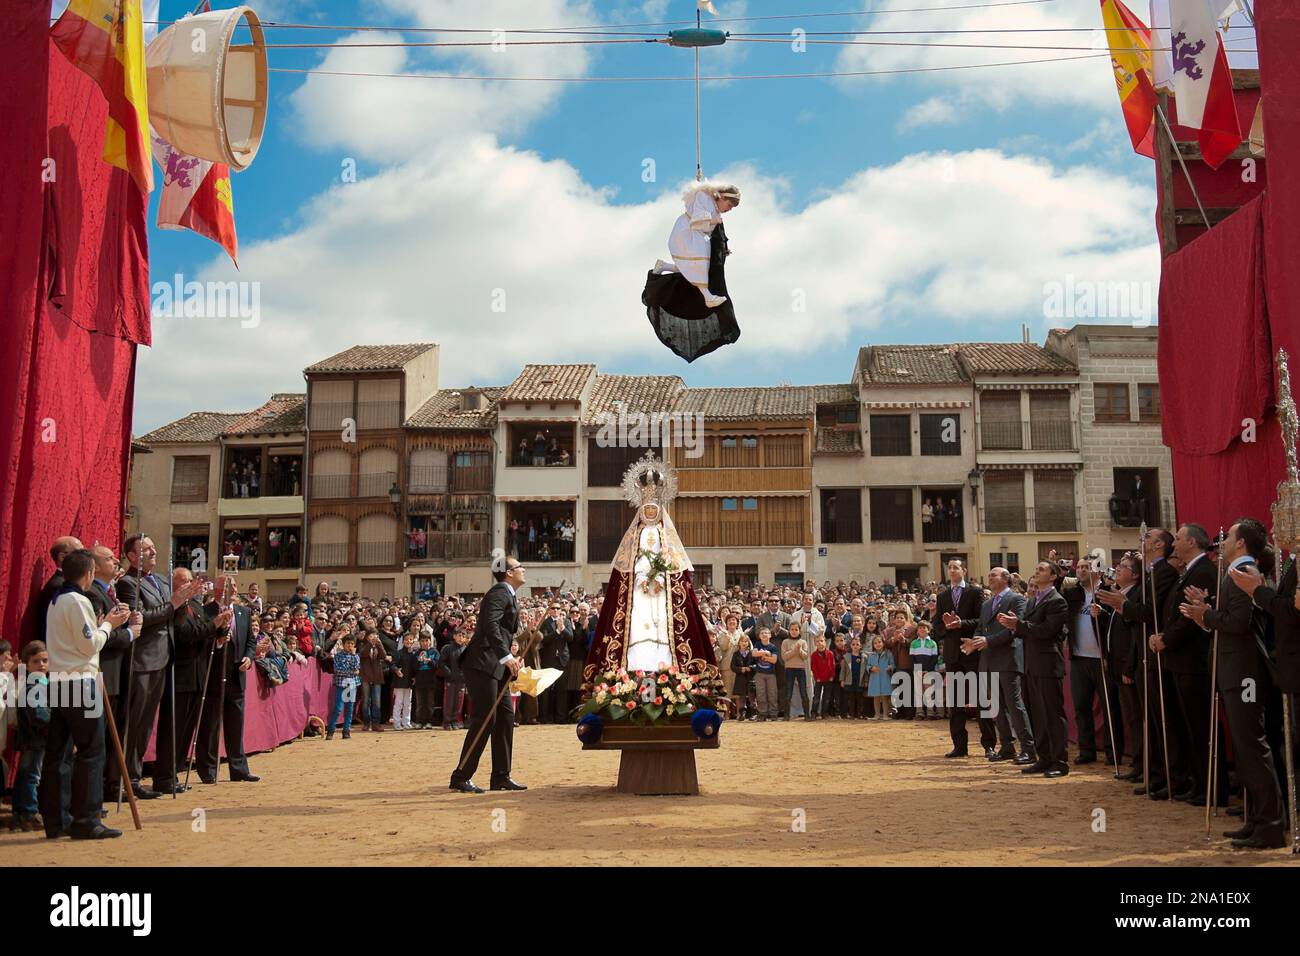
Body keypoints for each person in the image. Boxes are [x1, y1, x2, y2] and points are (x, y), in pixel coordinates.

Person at [1180, 518, 1286, 849]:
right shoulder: (1236, 571)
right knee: (1245, 750)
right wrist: (1208, 610)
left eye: (1229, 537)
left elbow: (1239, 623)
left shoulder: (1244, 572)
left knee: (1253, 747)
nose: (1222, 541)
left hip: (1246, 672)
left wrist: (1205, 616)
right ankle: (1256, 819)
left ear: (1240, 544)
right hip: (1235, 668)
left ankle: (1269, 823)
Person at [39, 548, 134, 839]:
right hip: (80, 682)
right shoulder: (77, 600)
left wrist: (99, 625)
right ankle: (87, 819)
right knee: (92, 751)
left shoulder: (56, 600)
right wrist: (109, 625)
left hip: (59, 680)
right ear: (89, 573)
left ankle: (55, 820)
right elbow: (89, 645)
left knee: (59, 753)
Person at [116, 535, 201, 800]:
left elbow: (171, 615)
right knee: (135, 722)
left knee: (147, 726)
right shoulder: (129, 583)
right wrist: (173, 604)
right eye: (147, 548)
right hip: (142, 660)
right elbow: (141, 618)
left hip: (164, 659)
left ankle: (137, 775)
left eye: (154, 547)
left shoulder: (163, 581)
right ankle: (125, 778)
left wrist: (184, 601)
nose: (154, 551)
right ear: (131, 556)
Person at [449, 557, 527, 793]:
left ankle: (501, 775)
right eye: (519, 566)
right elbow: (490, 625)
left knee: (505, 717)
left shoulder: (509, 594)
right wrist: (506, 656)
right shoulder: (499, 592)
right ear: (508, 573)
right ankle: (461, 776)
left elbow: (502, 632)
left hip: (496, 666)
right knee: (485, 718)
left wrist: (512, 657)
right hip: (482, 663)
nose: (523, 569)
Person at [1001, 561, 1070, 777]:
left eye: (1042, 569)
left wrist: (1018, 626)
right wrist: (1013, 626)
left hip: (1048, 665)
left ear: (1052, 577)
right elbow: (1027, 631)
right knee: (1036, 714)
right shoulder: (1032, 601)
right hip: (1031, 664)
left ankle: (1059, 762)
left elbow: (1048, 631)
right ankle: (1044, 758)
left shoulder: (1057, 601)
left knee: (1052, 715)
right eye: (1037, 568)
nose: (1037, 571)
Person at [962, 567, 1034, 765]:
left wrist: (987, 641)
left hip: (1008, 659)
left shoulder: (1017, 599)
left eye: (994, 574)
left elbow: (1014, 629)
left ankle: (1028, 748)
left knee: (1015, 705)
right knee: (996, 708)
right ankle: (1008, 746)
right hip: (988, 660)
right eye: (990, 575)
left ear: (1006, 579)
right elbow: (979, 628)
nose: (990, 577)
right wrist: (973, 642)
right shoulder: (986, 605)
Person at [936, 558, 993, 757]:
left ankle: (989, 745)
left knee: (981, 701)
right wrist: (946, 625)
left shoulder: (975, 592)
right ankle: (959, 747)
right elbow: (937, 627)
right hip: (952, 656)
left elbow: (982, 621)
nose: (952, 570)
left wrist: (962, 623)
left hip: (973, 653)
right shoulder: (942, 596)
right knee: (956, 702)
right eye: (949, 568)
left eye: (955, 567)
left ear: (964, 570)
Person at [655, 180, 740, 309]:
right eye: (729, 205)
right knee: (700, 258)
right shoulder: (704, 196)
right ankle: (707, 296)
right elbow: (697, 222)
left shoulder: (716, 211)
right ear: (722, 197)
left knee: (693, 264)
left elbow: (709, 232)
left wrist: (722, 248)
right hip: (686, 233)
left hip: (695, 235)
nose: (729, 209)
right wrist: (713, 220)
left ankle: (663, 266)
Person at [12, 642, 50, 831]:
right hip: (35, 739)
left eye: (45, 660)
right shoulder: (33, 686)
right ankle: (28, 812)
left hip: (31, 739)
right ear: (27, 665)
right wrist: (55, 725)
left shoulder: (40, 683)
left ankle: (20, 813)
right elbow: (39, 715)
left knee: (25, 775)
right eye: (36, 661)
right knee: (32, 776)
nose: (42, 665)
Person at [326, 634, 360, 740]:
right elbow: (338, 670)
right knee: (338, 708)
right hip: (341, 683)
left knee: (349, 709)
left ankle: (346, 731)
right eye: (348, 643)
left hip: (351, 684)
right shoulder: (338, 655)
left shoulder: (356, 656)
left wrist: (354, 658)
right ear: (343, 644)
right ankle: (331, 731)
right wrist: (351, 672)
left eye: (352, 644)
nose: (350, 645)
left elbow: (357, 669)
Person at [440, 629, 471, 731]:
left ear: (466, 638)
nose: (460, 637)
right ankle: (447, 722)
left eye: (463, 636)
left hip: (461, 681)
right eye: (459, 635)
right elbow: (442, 663)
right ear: (454, 636)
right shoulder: (448, 648)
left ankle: (454, 720)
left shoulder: (467, 650)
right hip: (450, 680)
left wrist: (465, 676)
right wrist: (449, 673)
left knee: (458, 702)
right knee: (449, 701)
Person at [781, 621, 812, 721]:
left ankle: (807, 715)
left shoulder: (803, 642)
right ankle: (786, 715)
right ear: (789, 631)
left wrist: (800, 651)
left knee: (803, 692)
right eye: (792, 629)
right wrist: (794, 651)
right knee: (788, 692)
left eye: (796, 629)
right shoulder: (785, 642)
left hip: (800, 669)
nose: (794, 631)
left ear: (800, 631)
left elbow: (805, 656)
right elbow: (784, 657)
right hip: (789, 670)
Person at [752, 627, 780, 721]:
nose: (764, 634)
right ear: (759, 636)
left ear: (770, 635)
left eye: (766, 633)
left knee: (772, 694)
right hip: (759, 674)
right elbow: (754, 654)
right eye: (762, 633)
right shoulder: (757, 644)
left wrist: (765, 657)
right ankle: (762, 713)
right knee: (760, 694)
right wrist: (765, 652)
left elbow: (774, 660)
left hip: (771, 674)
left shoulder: (773, 647)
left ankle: (773, 713)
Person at [413, 634, 441, 729]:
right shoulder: (417, 653)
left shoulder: (434, 652)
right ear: (419, 642)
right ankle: (419, 721)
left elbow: (437, 666)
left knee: (430, 703)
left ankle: (429, 722)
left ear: (430, 641)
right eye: (422, 641)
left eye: (426, 640)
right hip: (420, 682)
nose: (424, 643)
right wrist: (419, 661)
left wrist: (429, 661)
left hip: (431, 681)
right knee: (419, 704)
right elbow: (414, 668)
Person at [810, 634, 838, 719]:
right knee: (816, 698)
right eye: (817, 641)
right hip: (819, 679)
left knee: (826, 698)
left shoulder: (830, 654)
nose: (820, 643)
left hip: (828, 679)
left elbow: (833, 666)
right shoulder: (814, 655)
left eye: (821, 641)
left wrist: (832, 676)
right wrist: (816, 677)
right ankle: (814, 713)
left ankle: (824, 713)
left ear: (825, 642)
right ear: (815, 643)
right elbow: (813, 667)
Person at [866, 635, 894, 719]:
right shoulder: (871, 655)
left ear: (883, 643)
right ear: (873, 645)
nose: (877, 644)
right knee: (876, 697)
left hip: (885, 677)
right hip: (874, 678)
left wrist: (890, 667)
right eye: (875, 643)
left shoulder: (888, 653)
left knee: (885, 697)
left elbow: (893, 664)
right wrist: (871, 668)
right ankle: (877, 715)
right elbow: (867, 666)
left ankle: (885, 715)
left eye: (879, 642)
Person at [730, 634, 757, 721]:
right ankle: (742, 714)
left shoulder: (752, 653)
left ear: (748, 643)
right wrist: (740, 669)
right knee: (742, 697)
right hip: (740, 679)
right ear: (739, 643)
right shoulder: (736, 654)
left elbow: (757, 665)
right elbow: (732, 666)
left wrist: (751, 668)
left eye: (746, 641)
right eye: (742, 641)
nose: (744, 643)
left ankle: (754, 713)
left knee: (752, 697)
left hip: (750, 679)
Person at [840, 635, 867, 718]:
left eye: (857, 644)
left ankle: (860, 714)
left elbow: (866, 671)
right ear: (850, 645)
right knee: (851, 698)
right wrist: (842, 680)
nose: (855, 646)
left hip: (859, 680)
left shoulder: (864, 657)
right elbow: (843, 670)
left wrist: (866, 680)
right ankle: (852, 714)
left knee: (860, 698)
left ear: (860, 646)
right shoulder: (846, 657)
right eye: (853, 644)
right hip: (849, 680)